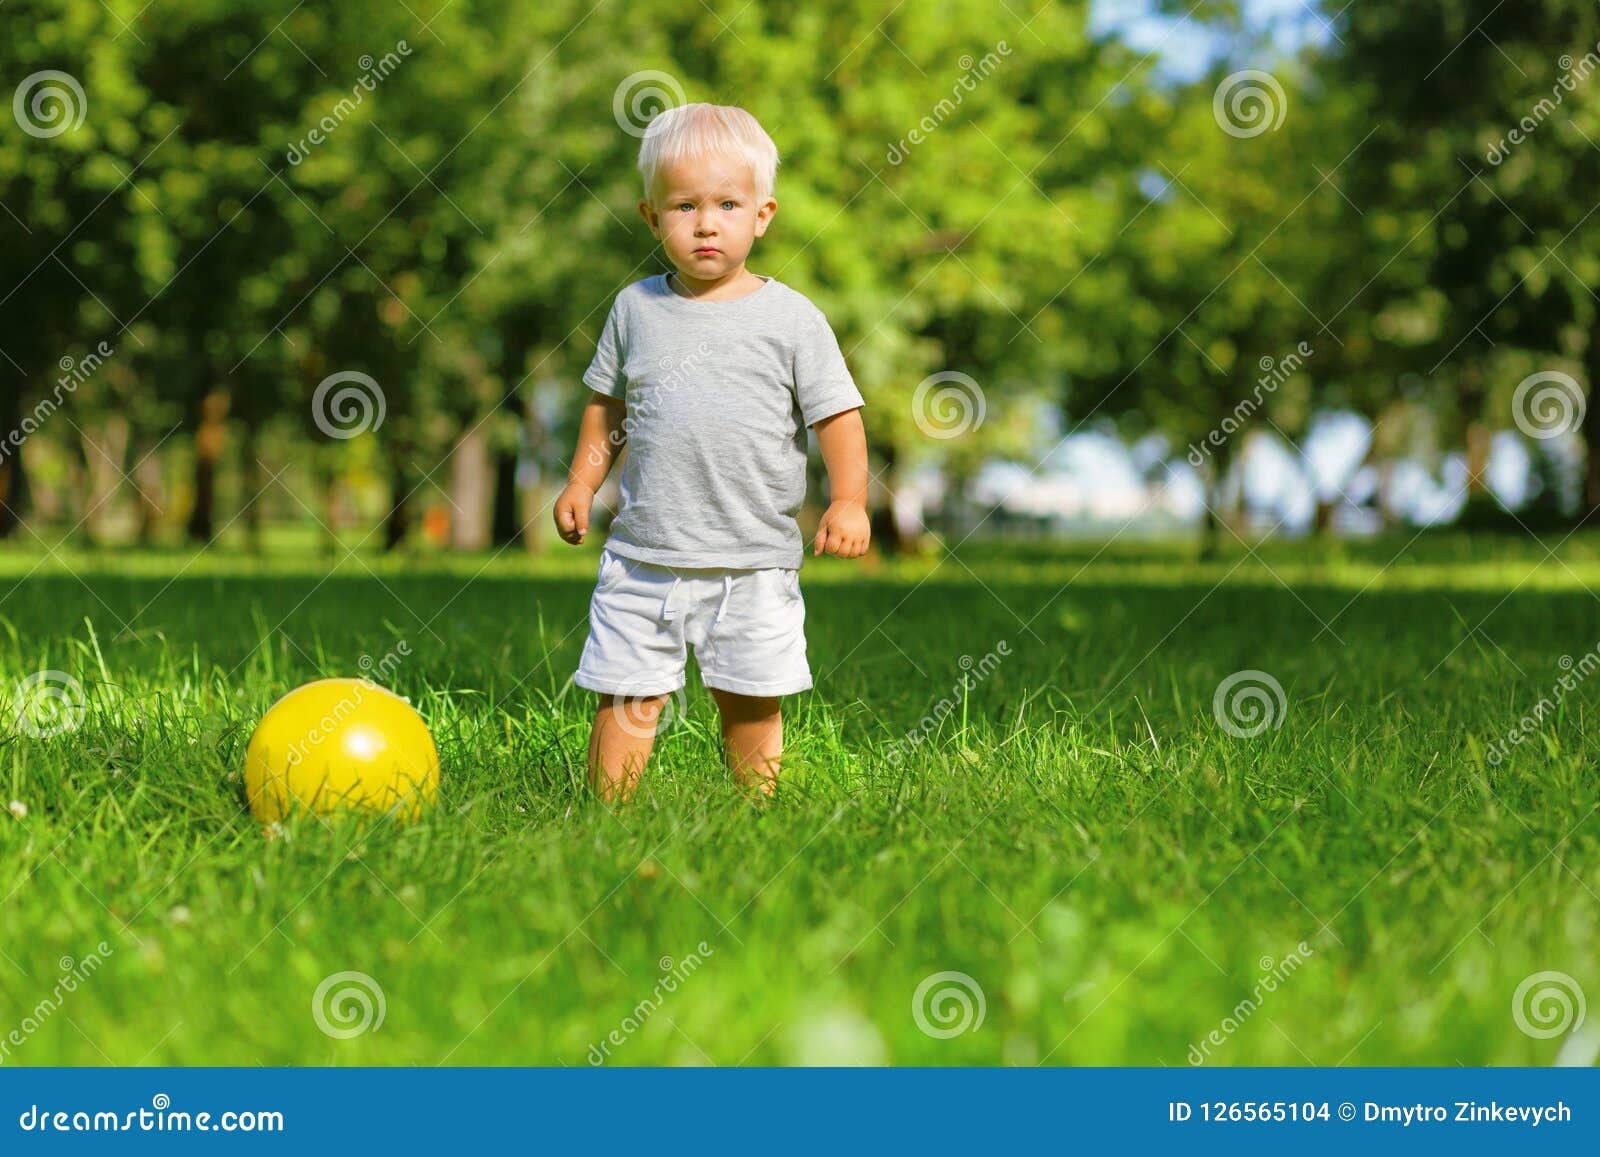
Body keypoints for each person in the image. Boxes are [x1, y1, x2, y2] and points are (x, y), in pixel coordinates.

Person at [554, 102, 870, 803]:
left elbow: (838, 417)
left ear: (762, 215)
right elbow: (605, 408)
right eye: (684, 206)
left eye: (727, 204)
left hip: (753, 557)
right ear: (650, 216)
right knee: (627, 691)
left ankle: (755, 807)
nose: (705, 223)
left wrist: (849, 498)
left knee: (750, 693)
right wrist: (581, 484)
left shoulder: (790, 318)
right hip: (646, 555)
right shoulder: (634, 310)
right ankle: (607, 813)